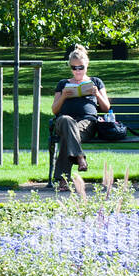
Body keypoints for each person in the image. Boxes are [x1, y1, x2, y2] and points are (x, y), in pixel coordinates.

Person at [50, 44, 111, 190]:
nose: (77, 70)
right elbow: (54, 109)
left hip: (87, 123)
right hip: (63, 121)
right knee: (66, 120)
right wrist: (64, 96)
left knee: (68, 136)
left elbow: (106, 108)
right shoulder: (63, 84)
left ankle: (62, 181)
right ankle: (80, 157)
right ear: (70, 67)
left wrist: (96, 94)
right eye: (74, 67)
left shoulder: (96, 82)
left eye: (81, 67)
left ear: (87, 65)